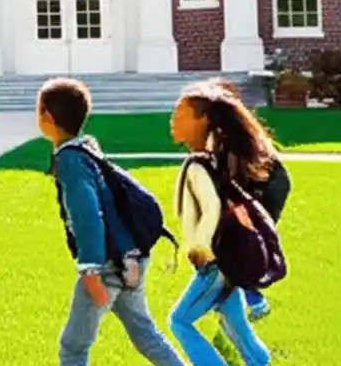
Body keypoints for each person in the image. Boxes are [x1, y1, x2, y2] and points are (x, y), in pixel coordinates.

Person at [38, 78, 186, 366]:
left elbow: (87, 214)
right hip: (130, 257)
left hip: (106, 265)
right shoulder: (88, 148)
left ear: (47, 117)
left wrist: (90, 270)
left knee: (73, 348)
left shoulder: (70, 160)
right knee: (146, 335)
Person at [168, 79, 273, 366]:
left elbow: (212, 209)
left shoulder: (198, 166)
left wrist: (200, 246)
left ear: (202, 121)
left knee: (179, 321)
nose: (172, 121)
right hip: (227, 260)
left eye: (180, 116)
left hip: (214, 262)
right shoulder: (214, 162)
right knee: (237, 326)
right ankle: (260, 362)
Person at [209, 79, 292, 321]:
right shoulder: (231, 127)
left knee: (238, 247)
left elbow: (236, 176)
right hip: (266, 186)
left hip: (266, 189)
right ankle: (231, 302)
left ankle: (253, 301)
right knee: (237, 246)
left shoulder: (230, 133)